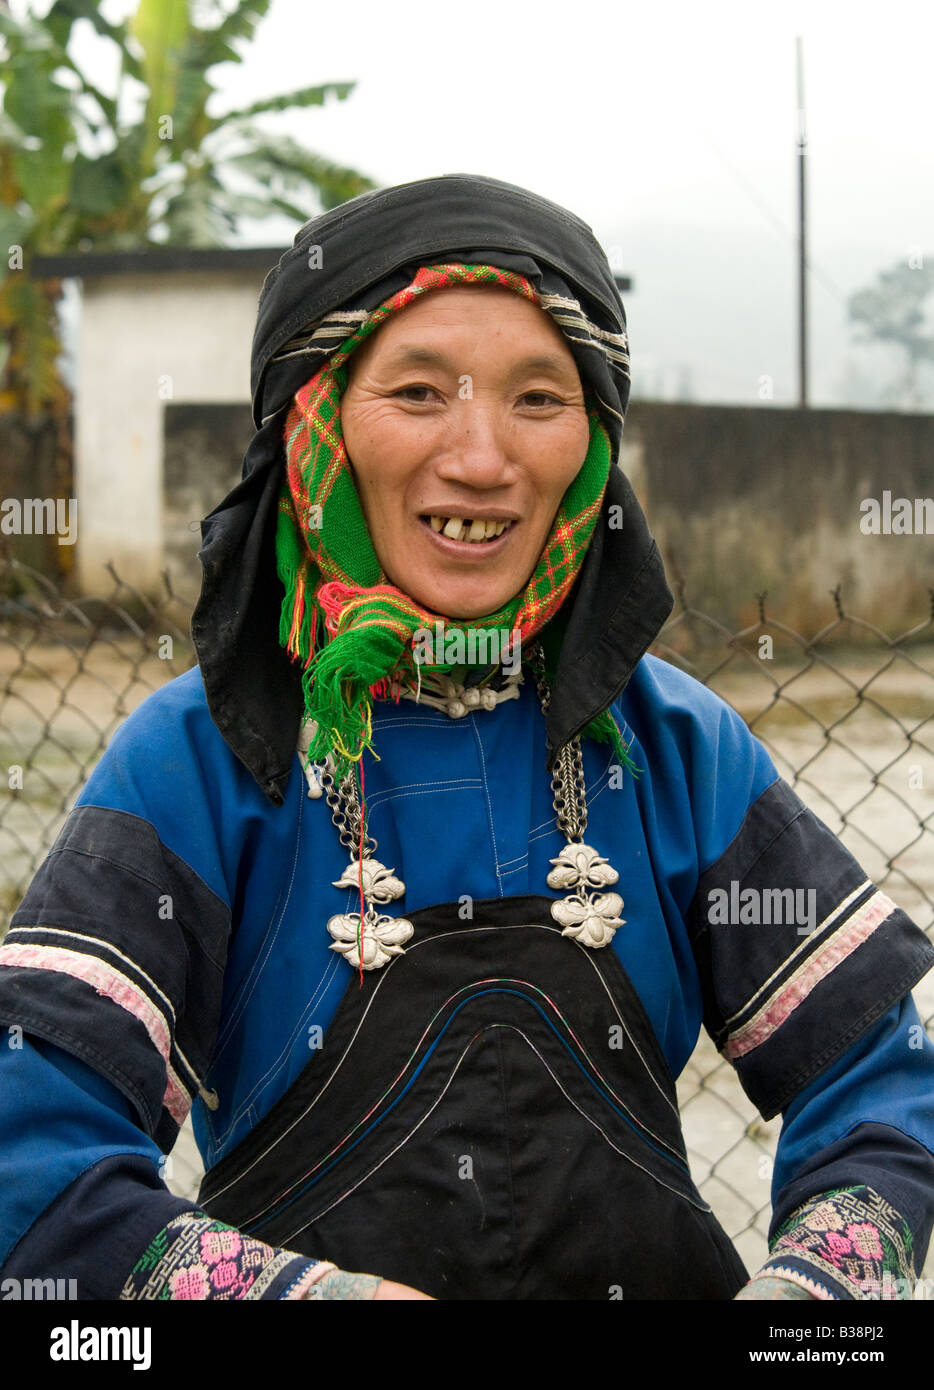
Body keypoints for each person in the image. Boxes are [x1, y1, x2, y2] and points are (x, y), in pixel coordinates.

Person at [1, 173, 932, 1302]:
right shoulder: (196, 763)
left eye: (539, 397)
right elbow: (32, 1158)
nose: (482, 458)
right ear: (317, 425)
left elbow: (878, 1083)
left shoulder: (678, 748)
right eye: (418, 392)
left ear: (592, 448)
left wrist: (813, 1300)